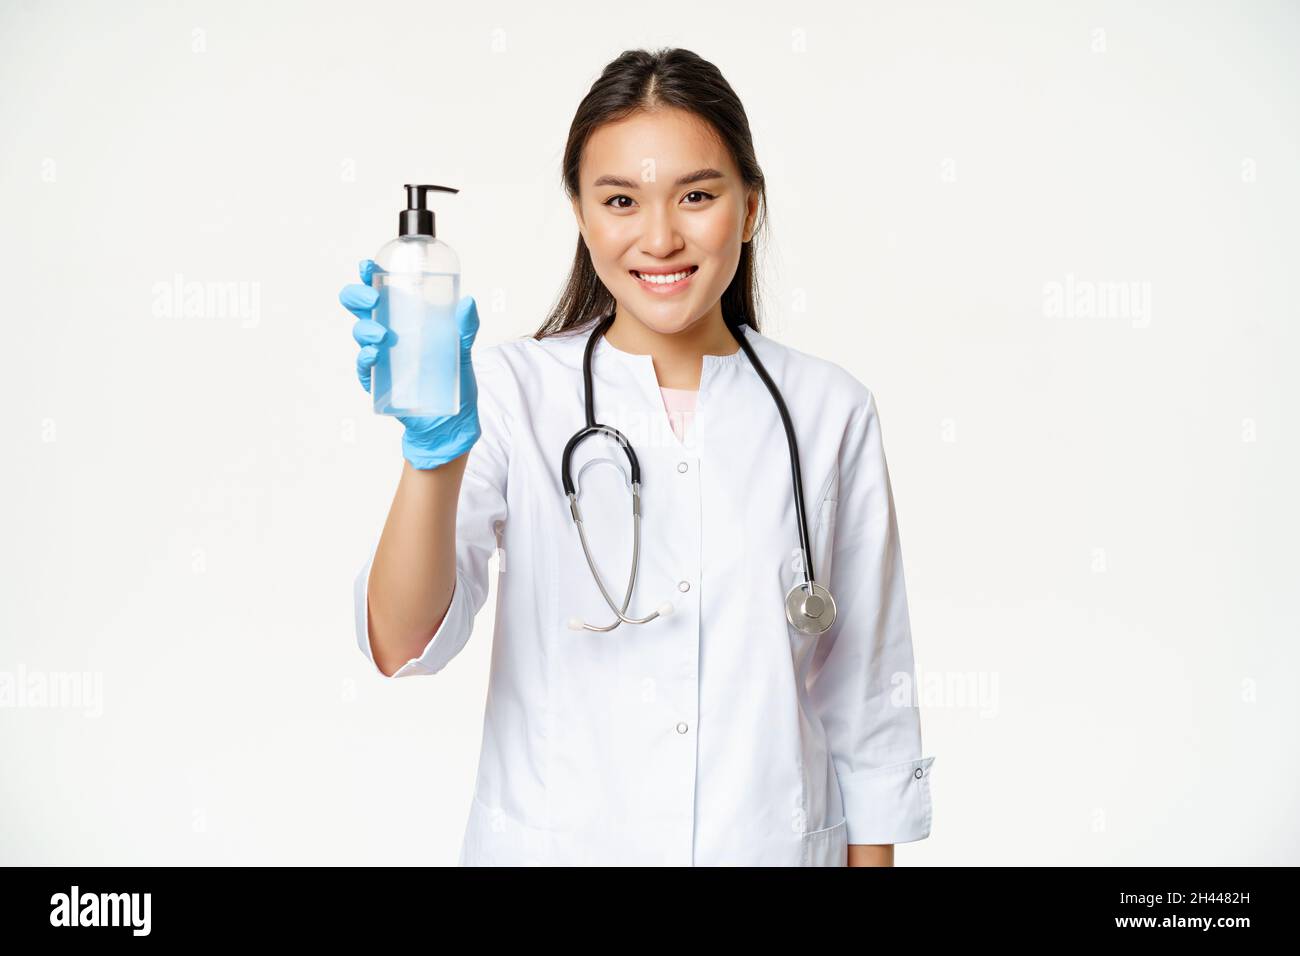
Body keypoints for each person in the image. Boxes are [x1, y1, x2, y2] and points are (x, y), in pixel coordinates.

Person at [340, 47, 934, 867]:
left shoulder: (830, 412)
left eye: (697, 195)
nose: (660, 237)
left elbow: (868, 704)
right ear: (583, 217)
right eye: (620, 199)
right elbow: (402, 641)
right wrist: (432, 455)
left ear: (750, 206)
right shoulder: (513, 393)